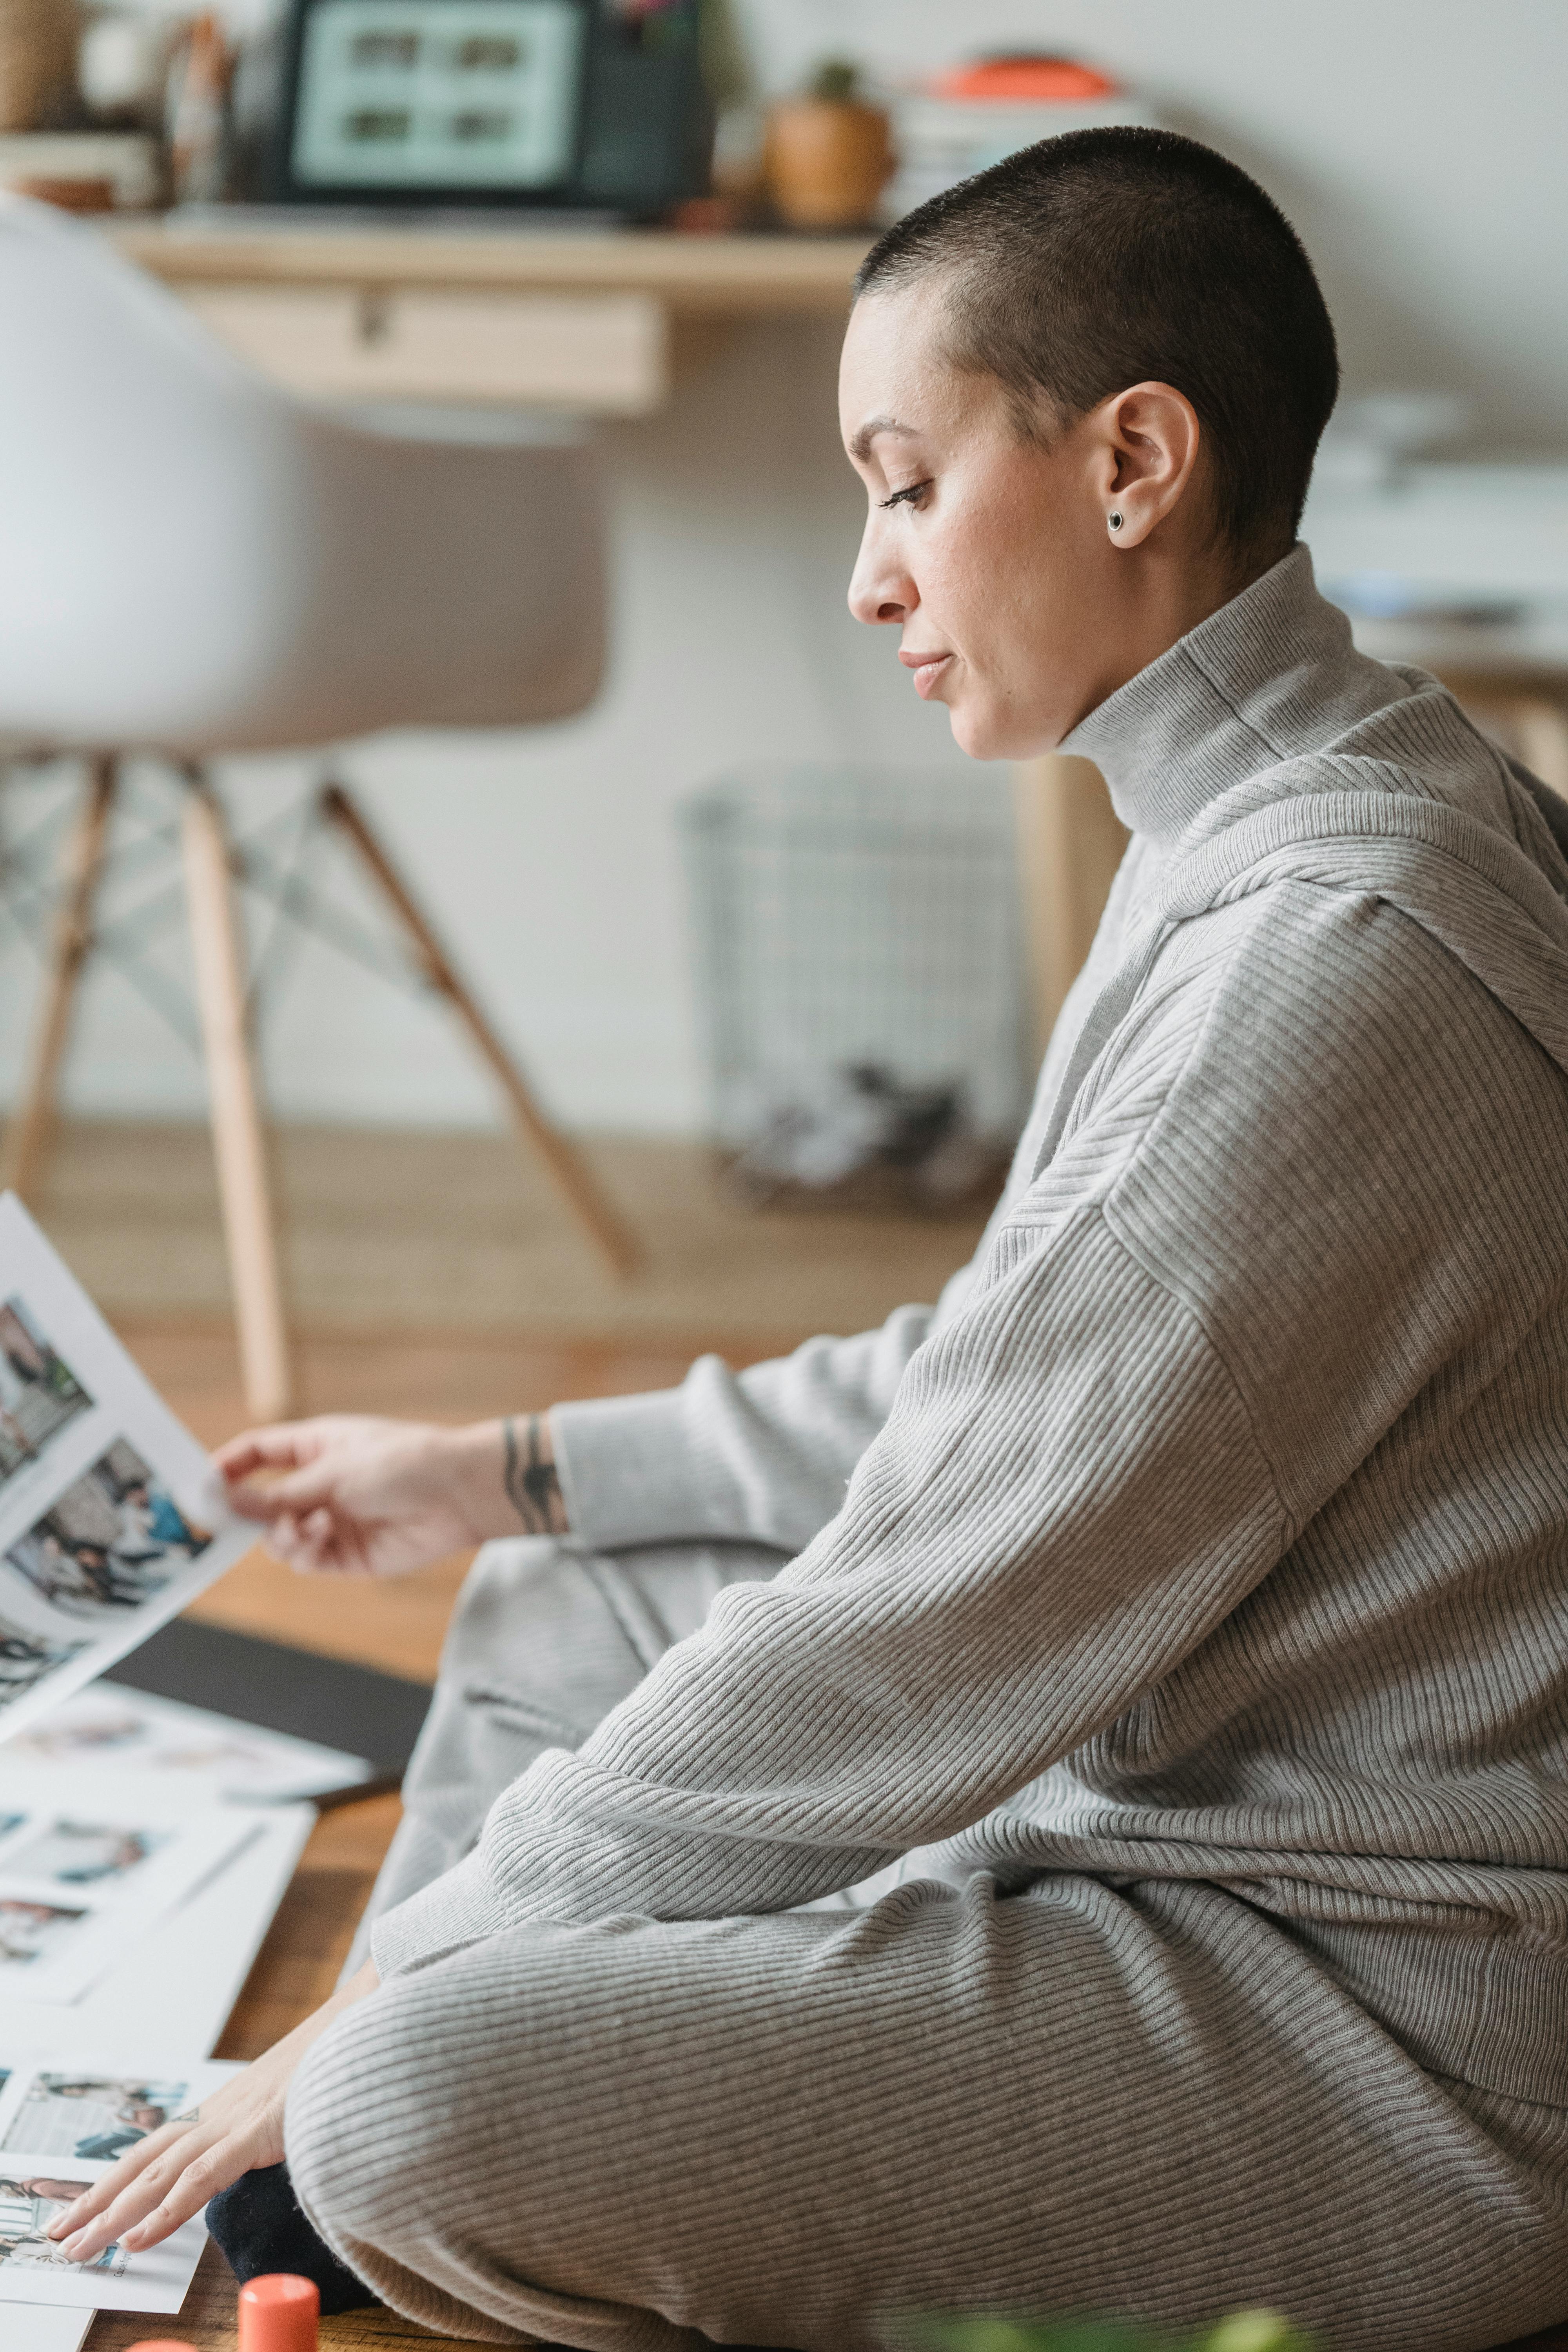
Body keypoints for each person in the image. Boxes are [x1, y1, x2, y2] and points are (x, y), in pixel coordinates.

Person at [49, 127, 1568, 2350]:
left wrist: (435, 1974)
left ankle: (346, 2150)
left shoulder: (1324, 956)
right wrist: (506, 1469)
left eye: (902, 480)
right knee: (570, 1592)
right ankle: (361, 2158)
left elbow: (938, 1608)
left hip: (1379, 2026)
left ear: (1136, 461)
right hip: (1167, 1782)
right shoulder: (1311, 796)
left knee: (405, 2098)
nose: (870, 575)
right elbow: (993, 1375)